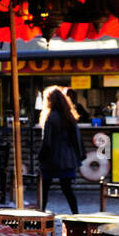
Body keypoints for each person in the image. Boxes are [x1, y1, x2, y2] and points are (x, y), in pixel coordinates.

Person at [38, 85, 82, 214]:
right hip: (68, 158)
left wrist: (41, 158)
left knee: (44, 189)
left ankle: (41, 214)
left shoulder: (50, 117)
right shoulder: (69, 116)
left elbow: (47, 142)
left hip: (52, 159)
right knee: (67, 189)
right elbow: (76, 140)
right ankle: (76, 215)